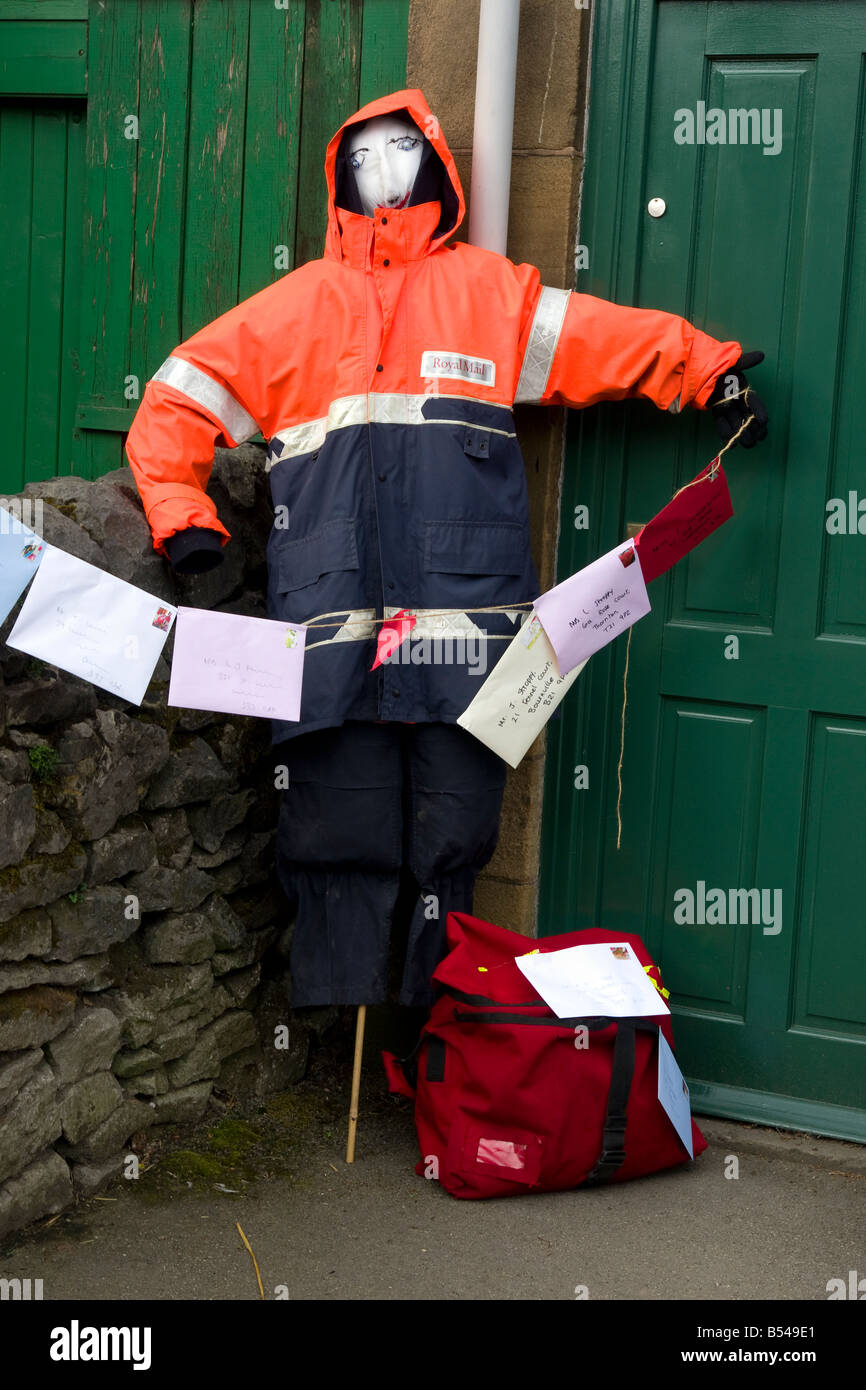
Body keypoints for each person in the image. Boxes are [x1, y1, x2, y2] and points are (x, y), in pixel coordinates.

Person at [124, 88, 768, 1015]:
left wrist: (705, 368)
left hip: (468, 652)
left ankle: (442, 1043)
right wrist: (185, 516)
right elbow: (177, 399)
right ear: (339, 177)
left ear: (434, 166)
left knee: (454, 836)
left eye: (399, 151)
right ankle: (344, 1028)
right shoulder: (292, 310)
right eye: (362, 156)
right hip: (328, 641)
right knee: (335, 830)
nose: (381, 170)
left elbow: (605, 339)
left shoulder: (490, 296)